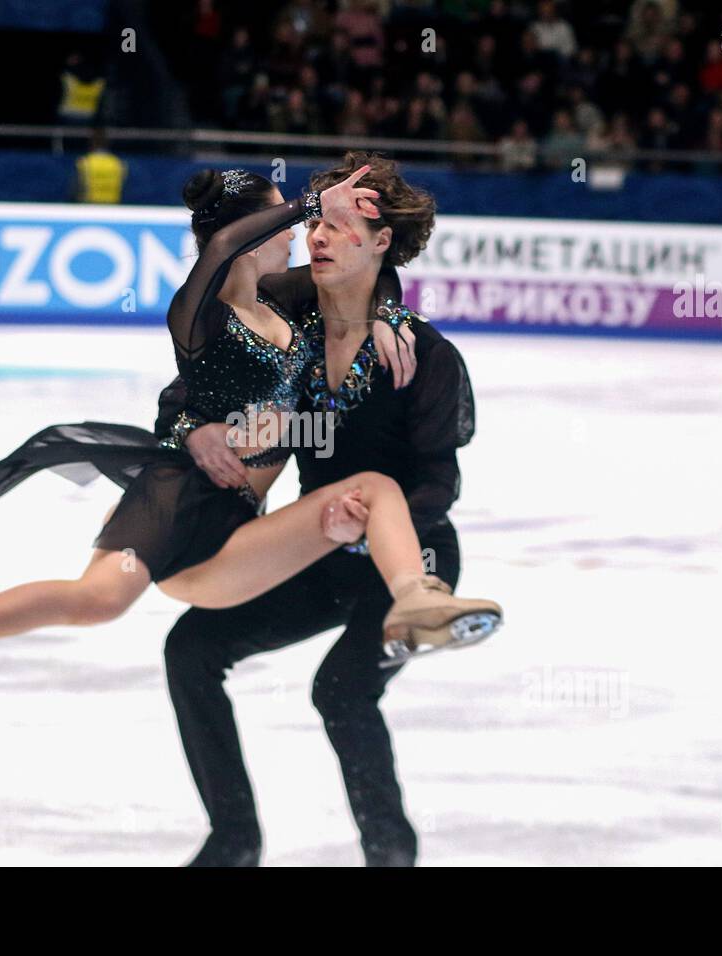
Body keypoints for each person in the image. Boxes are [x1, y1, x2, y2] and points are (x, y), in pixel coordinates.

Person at [0, 164, 501, 703]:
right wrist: (311, 202)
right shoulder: (201, 313)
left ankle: (413, 604)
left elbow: (360, 281)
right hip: (175, 497)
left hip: (233, 535)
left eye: (320, 226)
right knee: (97, 599)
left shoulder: (288, 304)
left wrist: (388, 312)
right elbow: (218, 253)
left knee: (366, 497)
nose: (304, 236)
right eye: (294, 224)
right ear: (251, 231)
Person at [155, 151, 481, 867]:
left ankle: (390, 854)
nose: (317, 238)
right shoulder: (286, 319)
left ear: (380, 240)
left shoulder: (426, 356)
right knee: (191, 648)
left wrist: (389, 310)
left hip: (416, 551)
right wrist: (195, 429)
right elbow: (196, 376)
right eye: (314, 225)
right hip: (324, 541)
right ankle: (234, 838)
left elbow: (437, 483)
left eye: (337, 226)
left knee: (340, 689)